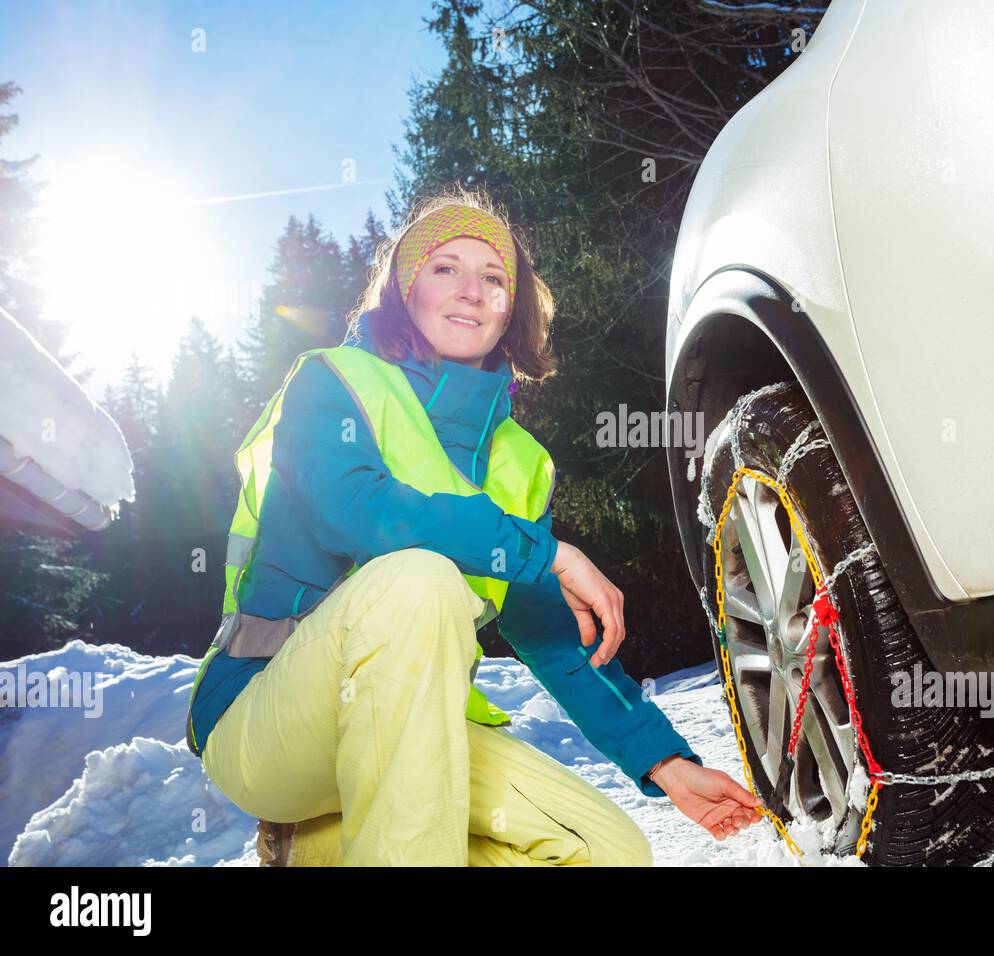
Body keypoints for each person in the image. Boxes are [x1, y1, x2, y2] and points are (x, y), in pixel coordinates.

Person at [184, 187, 763, 866]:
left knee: (610, 853)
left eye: (494, 279)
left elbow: (557, 646)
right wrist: (542, 552)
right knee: (416, 579)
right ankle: (309, 826)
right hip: (267, 718)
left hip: (414, 732)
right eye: (444, 267)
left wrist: (666, 763)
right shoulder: (331, 383)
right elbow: (360, 510)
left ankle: (326, 845)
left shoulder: (518, 465)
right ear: (404, 291)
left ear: (511, 310)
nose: (471, 290)